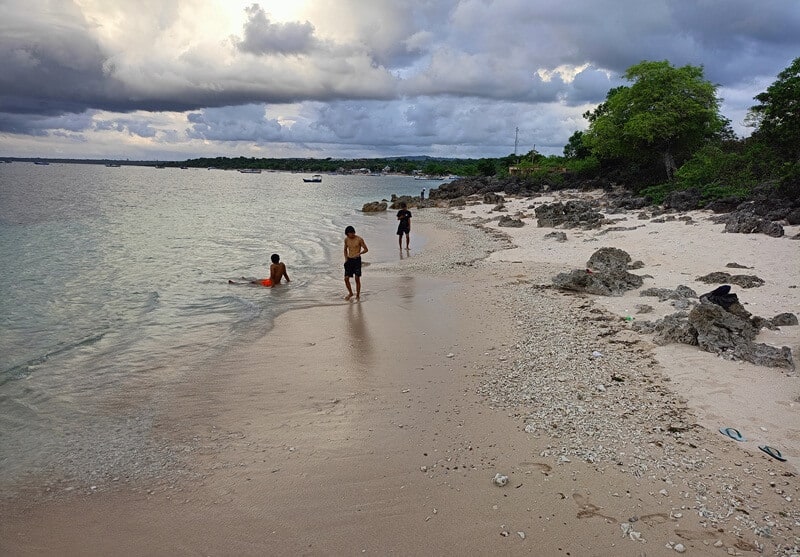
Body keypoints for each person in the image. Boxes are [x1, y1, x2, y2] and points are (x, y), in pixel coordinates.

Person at [343, 225, 368, 300]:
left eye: (353, 233)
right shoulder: (346, 240)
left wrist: (359, 253)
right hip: (349, 260)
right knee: (346, 278)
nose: (352, 234)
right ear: (347, 234)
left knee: (357, 278)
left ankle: (357, 295)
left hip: (357, 260)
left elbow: (366, 249)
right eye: (350, 233)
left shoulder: (359, 239)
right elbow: (345, 249)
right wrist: (346, 258)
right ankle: (350, 293)